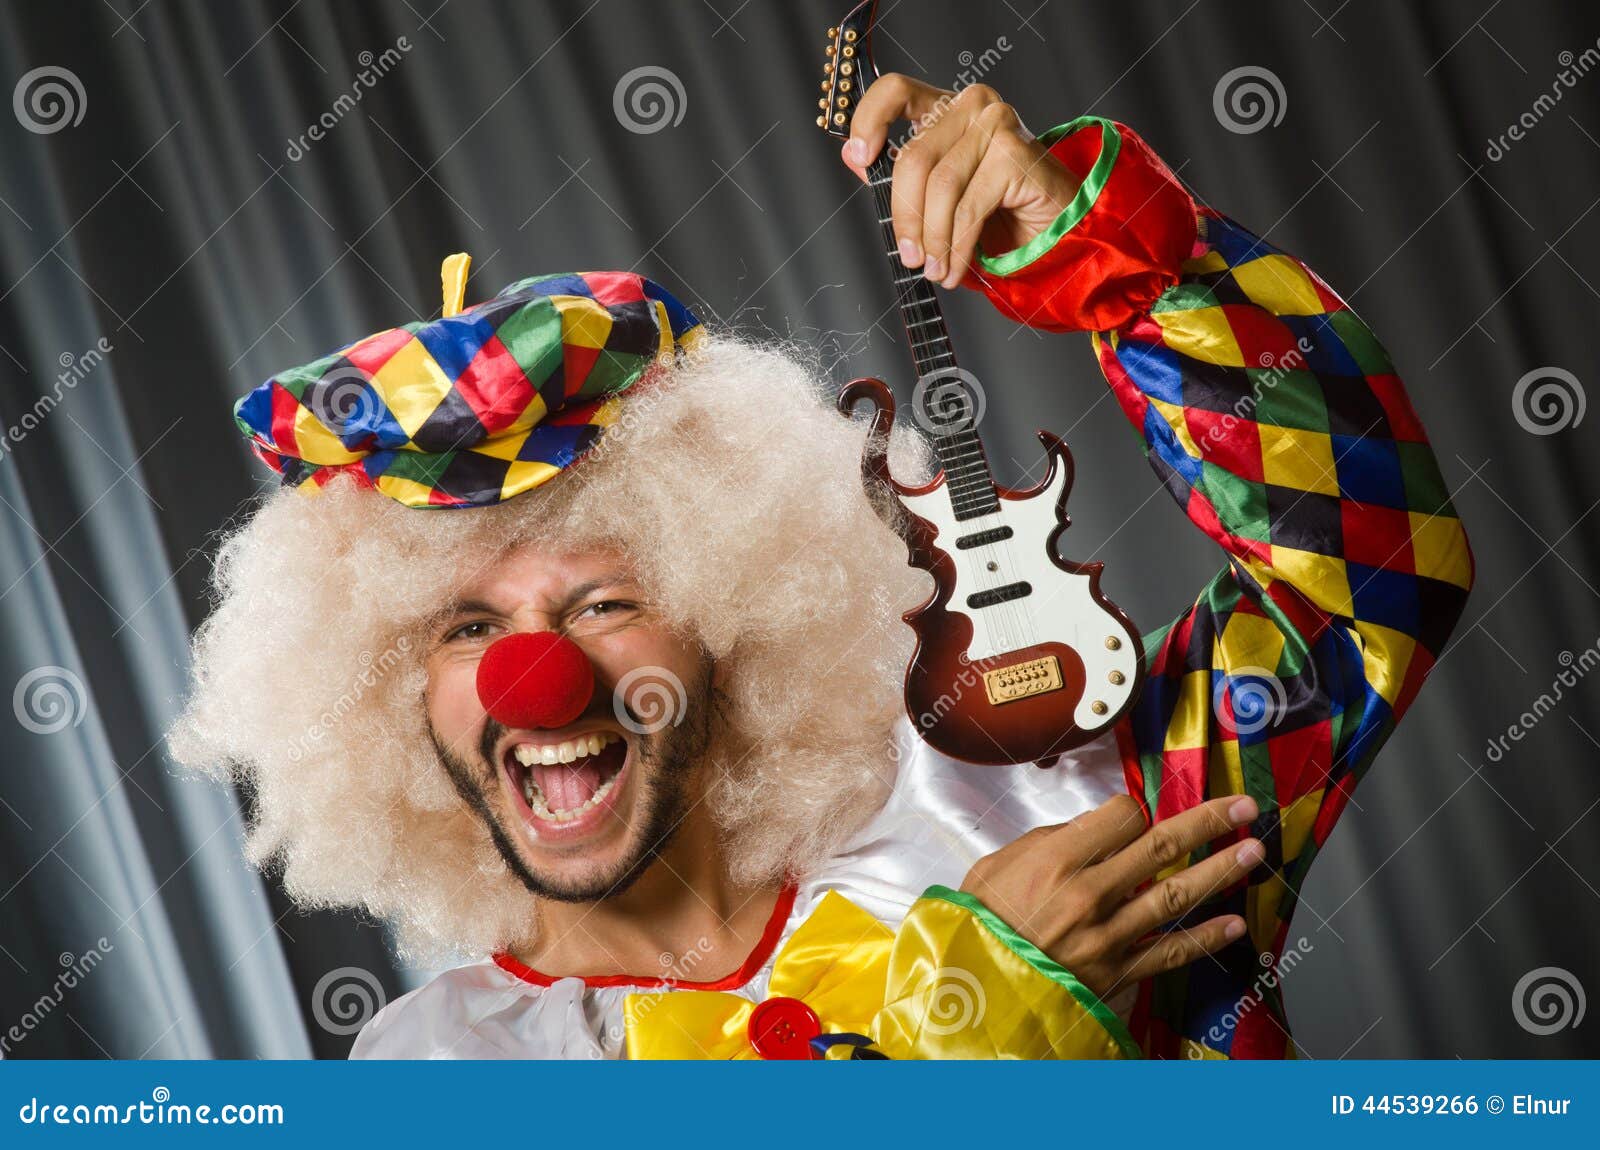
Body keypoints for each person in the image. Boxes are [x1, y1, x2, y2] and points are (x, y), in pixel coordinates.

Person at [171, 75, 1473, 1059]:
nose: (536, 677)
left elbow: (1368, 579)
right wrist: (972, 1030)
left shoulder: (1041, 813)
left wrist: (1113, 263)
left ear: (730, 617)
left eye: (605, 602)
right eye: (467, 627)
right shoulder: (441, 1069)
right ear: (386, 690)